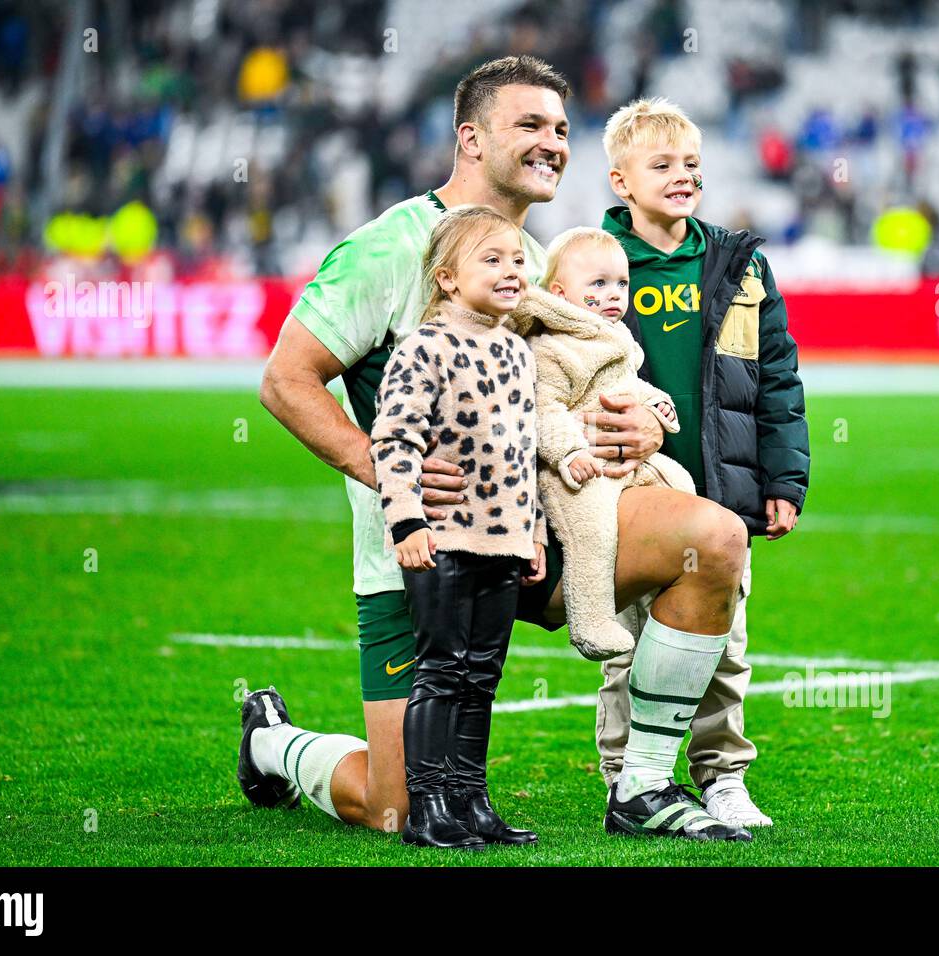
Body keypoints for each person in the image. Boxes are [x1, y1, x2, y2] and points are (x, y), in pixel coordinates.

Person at [240, 56, 750, 839]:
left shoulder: (538, 259)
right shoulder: (391, 246)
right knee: (394, 806)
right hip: (422, 557)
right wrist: (385, 469)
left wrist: (644, 424)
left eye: (561, 129)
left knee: (711, 537)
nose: (552, 142)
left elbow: (577, 386)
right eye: (530, 125)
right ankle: (274, 744)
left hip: (541, 531)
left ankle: (642, 788)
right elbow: (287, 380)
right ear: (470, 139)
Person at [594, 98, 810, 829]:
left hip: (723, 490)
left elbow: (777, 376)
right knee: (629, 644)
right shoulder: (590, 262)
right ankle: (631, 778)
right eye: (662, 166)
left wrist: (783, 479)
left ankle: (722, 776)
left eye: (691, 164)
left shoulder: (738, 262)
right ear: (620, 180)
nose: (683, 177)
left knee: (723, 646)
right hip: (630, 493)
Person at [371, 205, 544, 849]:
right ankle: (429, 805)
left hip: (503, 541)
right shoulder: (424, 347)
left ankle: (471, 800)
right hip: (444, 539)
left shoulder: (517, 352)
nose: (510, 271)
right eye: (491, 260)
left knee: (484, 674)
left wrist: (536, 535)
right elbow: (393, 438)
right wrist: (407, 521)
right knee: (442, 667)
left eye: (518, 260)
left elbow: (525, 453)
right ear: (446, 279)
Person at [514, 228, 692, 662]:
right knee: (592, 531)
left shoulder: (616, 337)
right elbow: (542, 410)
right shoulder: (552, 347)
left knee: (680, 485)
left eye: (622, 284)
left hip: (627, 460)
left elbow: (630, 386)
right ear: (559, 292)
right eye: (598, 284)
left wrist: (657, 408)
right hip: (575, 469)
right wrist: (569, 453)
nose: (614, 294)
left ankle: (660, 596)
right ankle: (590, 619)